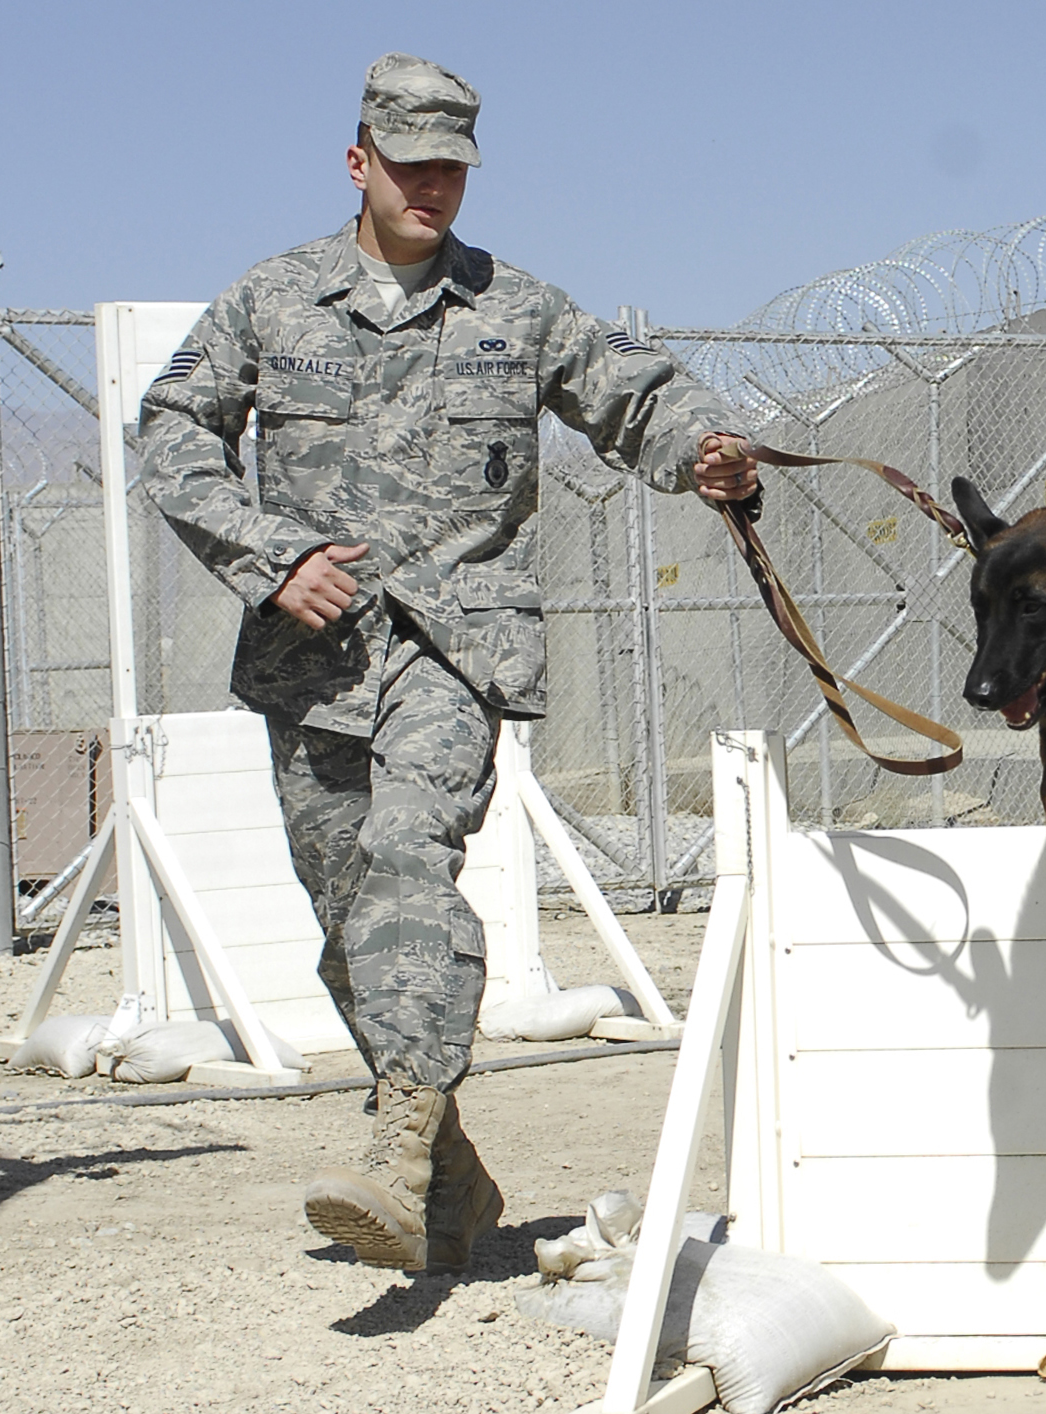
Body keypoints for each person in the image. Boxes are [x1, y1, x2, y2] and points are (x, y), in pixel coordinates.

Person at [139, 53, 759, 1274]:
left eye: (454, 169)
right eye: (411, 164)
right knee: (346, 925)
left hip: (456, 649)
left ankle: (399, 1143)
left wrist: (706, 450)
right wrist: (272, 555)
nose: (433, 188)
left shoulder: (514, 310)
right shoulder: (273, 302)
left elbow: (633, 395)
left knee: (404, 860)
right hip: (314, 657)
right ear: (358, 161)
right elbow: (170, 434)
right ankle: (459, 1185)